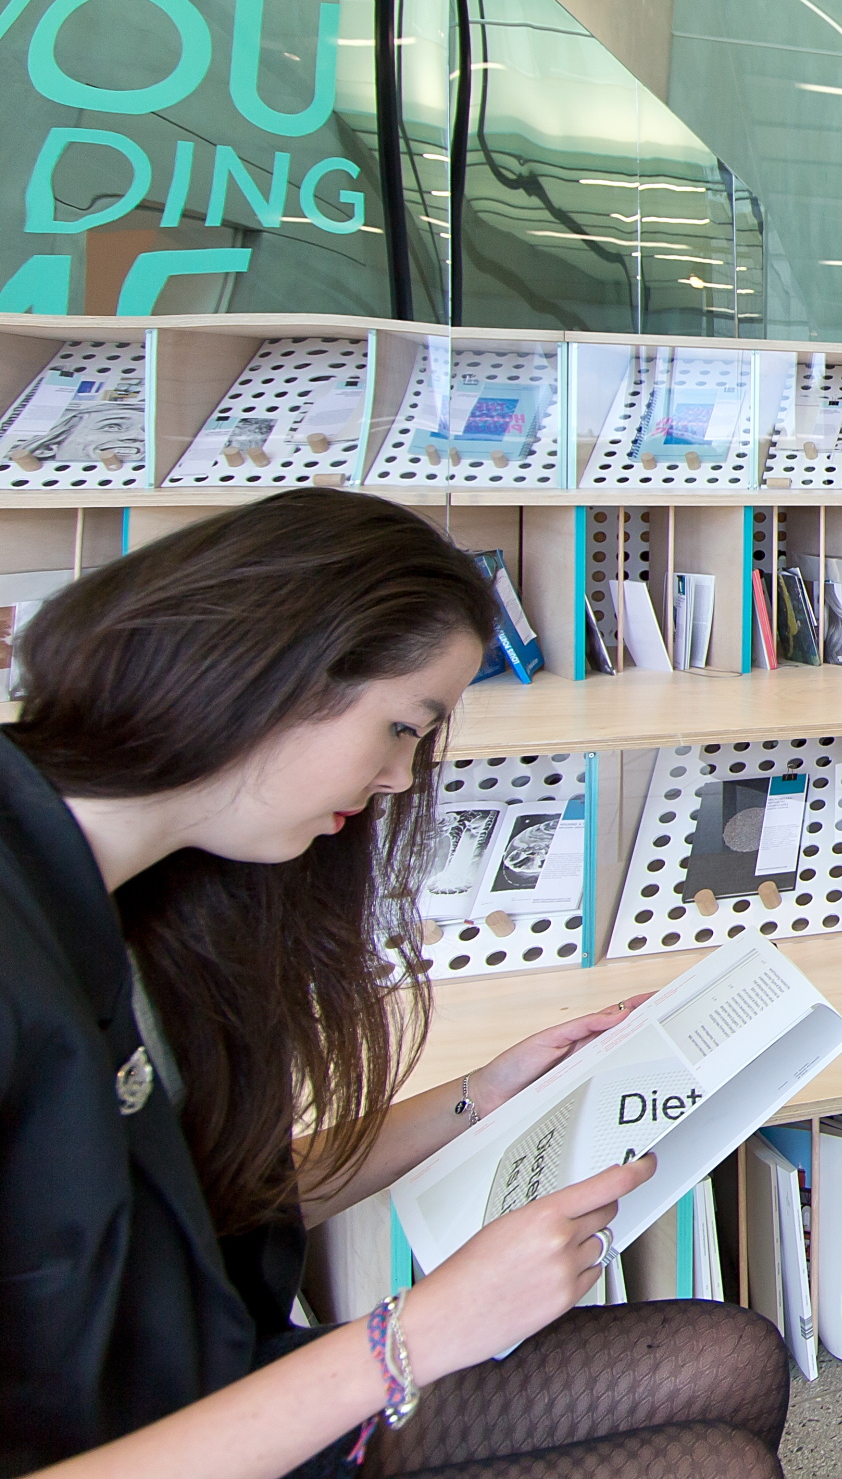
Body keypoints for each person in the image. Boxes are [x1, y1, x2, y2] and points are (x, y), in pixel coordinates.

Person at [2, 490, 790, 1479]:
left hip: (211, 1386)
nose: (400, 779)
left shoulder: (144, 899)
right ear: (267, 674)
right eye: (403, 728)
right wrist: (412, 1336)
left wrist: (478, 1099)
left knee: (728, 1355)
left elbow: (189, 1204)